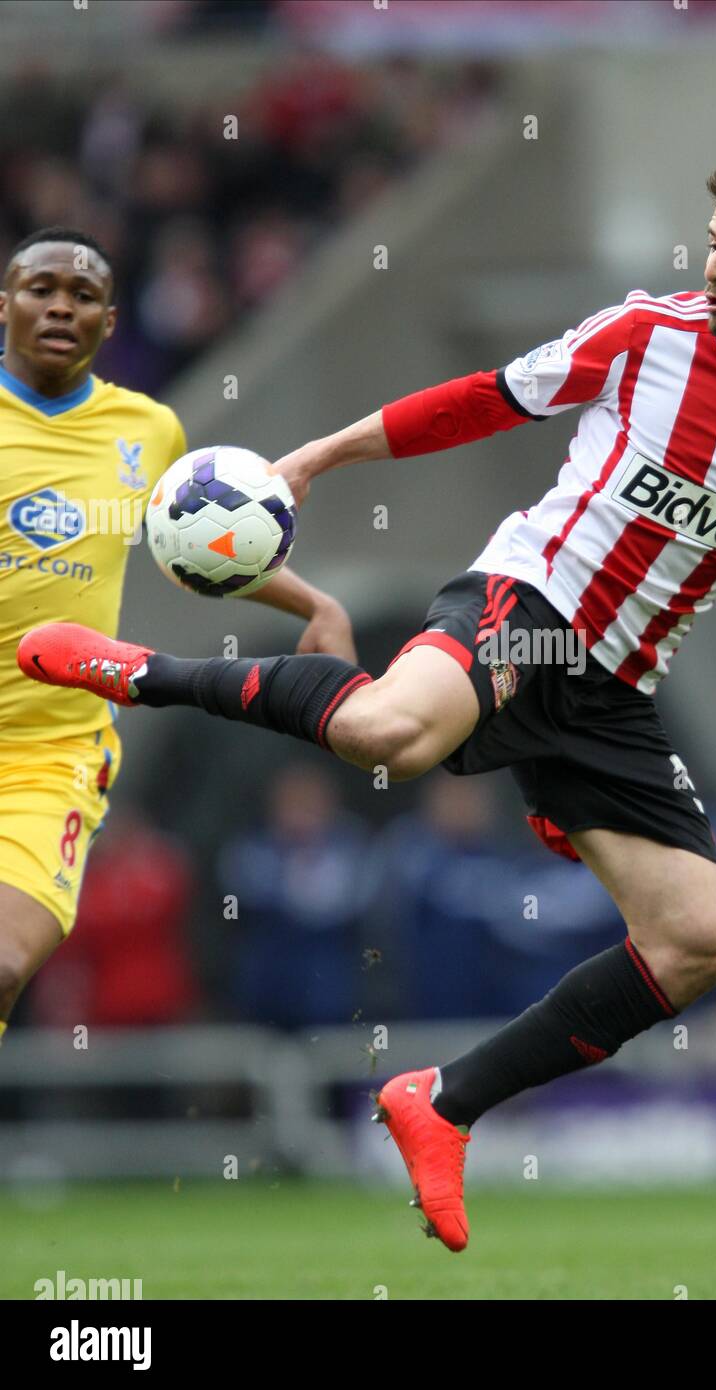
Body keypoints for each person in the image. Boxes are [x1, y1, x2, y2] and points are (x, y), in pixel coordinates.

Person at [20, 156, 716, 1254]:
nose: (712, 263)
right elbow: (484, 397)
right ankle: (141, 672)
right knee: (389, 733)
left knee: (693, 940)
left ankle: (442, 1102)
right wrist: (323, 454)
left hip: (616, 686)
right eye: (709, 238)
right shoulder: (645, 336)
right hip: (527, 602)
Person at [0, 226, 354, 1042]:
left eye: (82, 295)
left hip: (51, 754)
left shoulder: (147, 430)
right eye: (40, 289)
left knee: (8, 960)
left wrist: (315, 606)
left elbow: (197, 544)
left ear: (110, 321)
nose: (60, 306)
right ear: (7, 306)